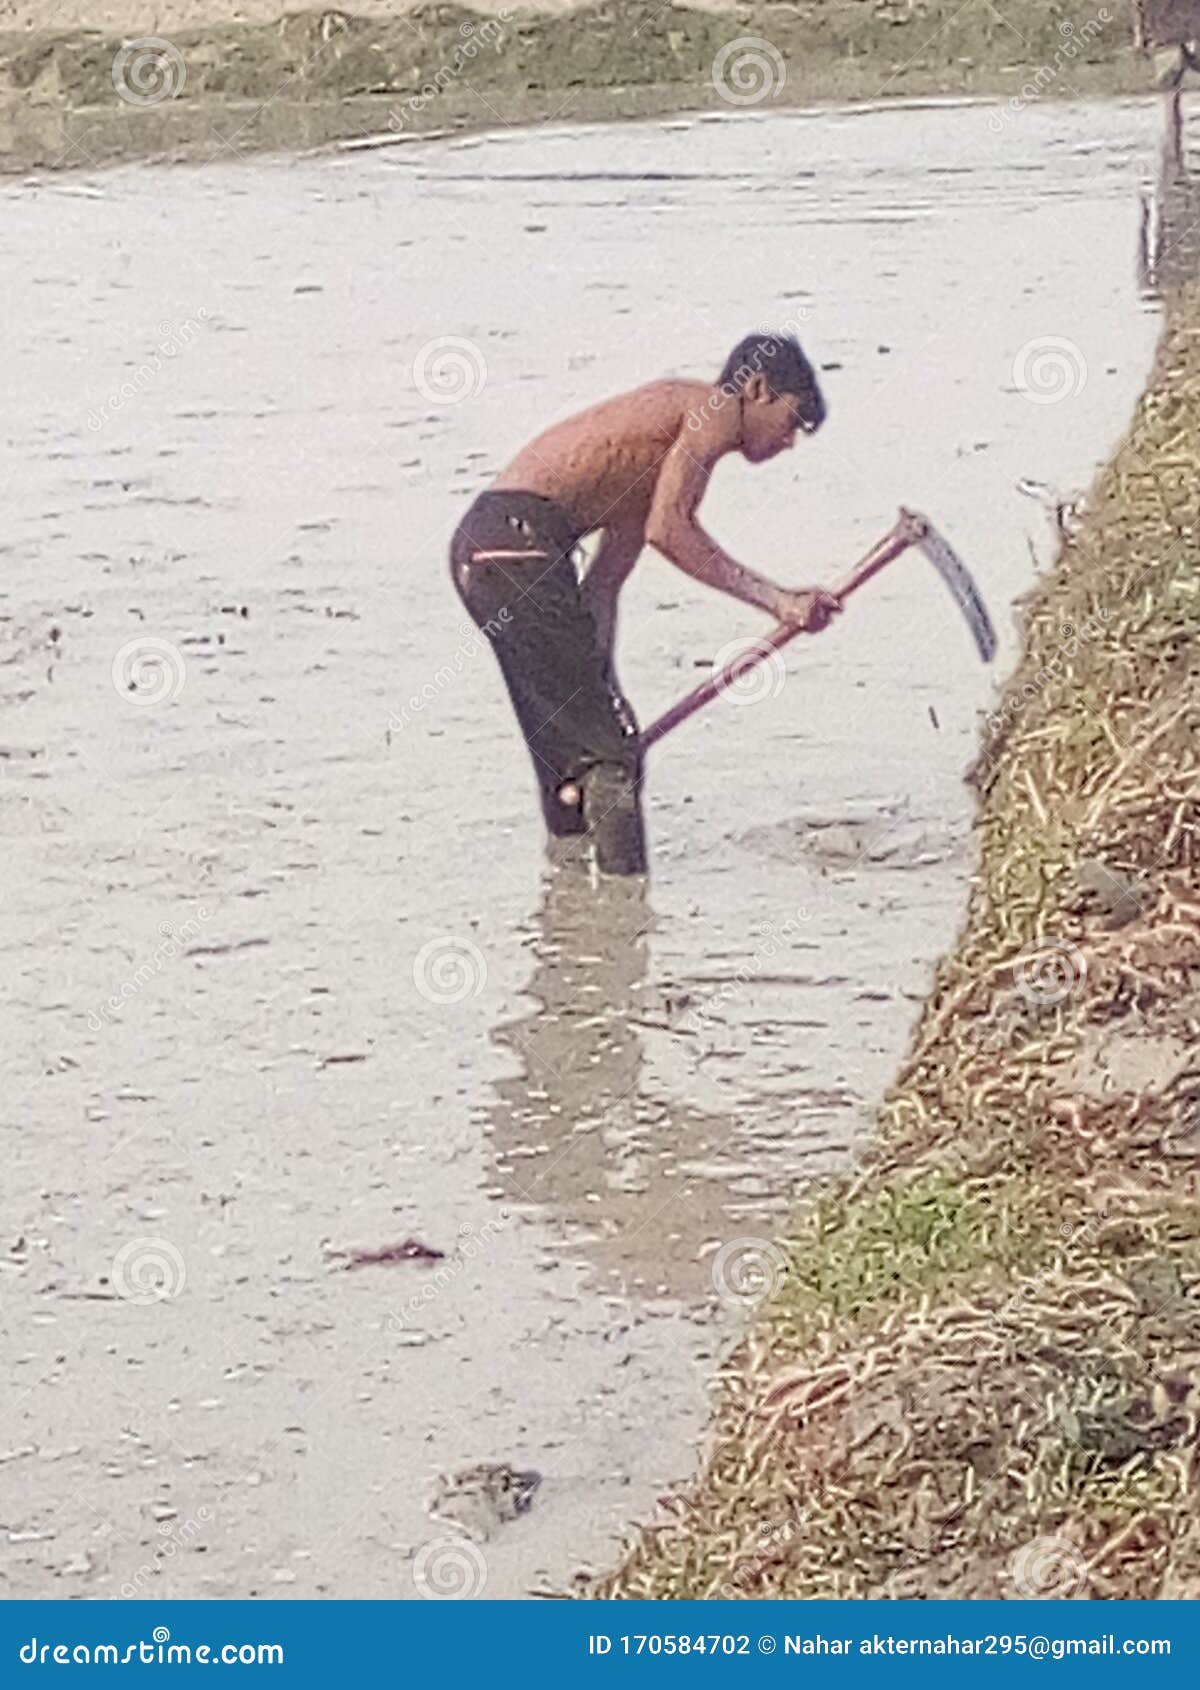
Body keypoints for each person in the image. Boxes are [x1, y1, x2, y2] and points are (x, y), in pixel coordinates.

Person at [449, 332, 841, 876]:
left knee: (572, 761)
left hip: (489, 551)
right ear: (757, 388)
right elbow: (670, 532)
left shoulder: (649, 460)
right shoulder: (708, 410)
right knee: (609, 761)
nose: (788, 443)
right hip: (520, 544)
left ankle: (573, 922)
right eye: (792, 422)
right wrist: (779, 601)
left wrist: (604, 686)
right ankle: (626, 928)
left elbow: (604, 585)